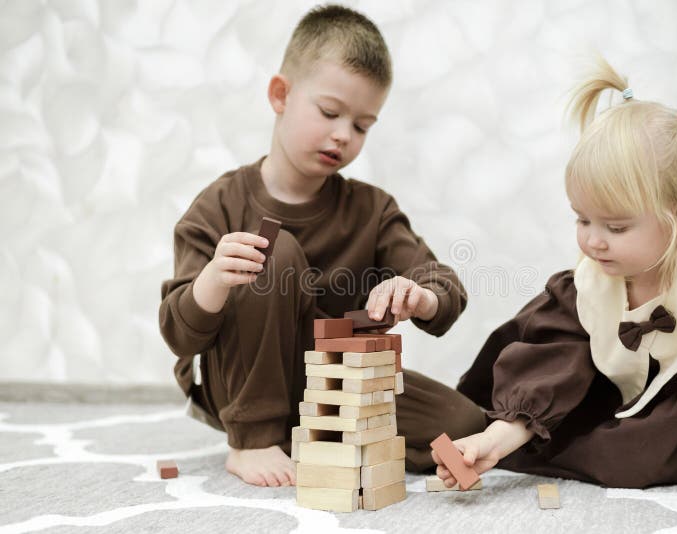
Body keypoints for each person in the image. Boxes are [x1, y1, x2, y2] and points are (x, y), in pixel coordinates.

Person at [437, 57, 677, 501]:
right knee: (513, 415)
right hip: (606, 402)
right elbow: (552, 359)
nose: (593, 241)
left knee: (633, 455)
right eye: (582, 219)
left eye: (616, 227)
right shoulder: (588, 285)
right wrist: (500, 435)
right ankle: (505, 439)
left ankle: (566, 447)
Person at [159, 4, 484, 488]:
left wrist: (420, 296)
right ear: (281, 95)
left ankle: (309, 433)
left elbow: (440, 282)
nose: (343, 135)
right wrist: (213, 280)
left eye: (361, 125)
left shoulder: (371, 210)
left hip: (336, 382)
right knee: (273, 248)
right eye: (330, 112)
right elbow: (178, 334)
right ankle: (253, 438)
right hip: (241, 384)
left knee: (463, 425)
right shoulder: (218, 206)